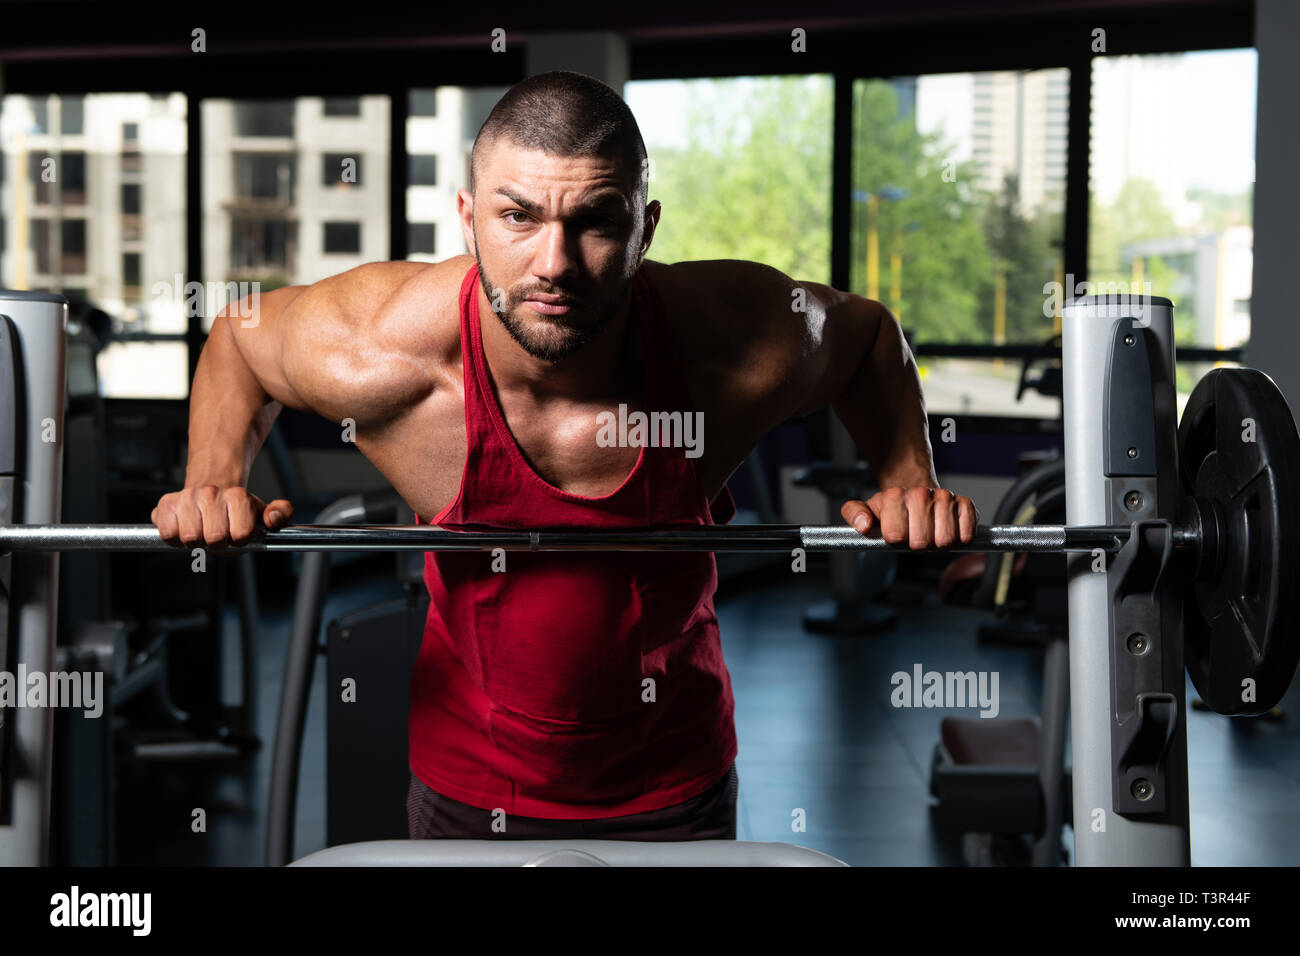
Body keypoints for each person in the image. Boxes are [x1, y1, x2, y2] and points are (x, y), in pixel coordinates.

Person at [151, 70, 979, 842]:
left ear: (643, 228)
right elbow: (241, 335)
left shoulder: (729, 344)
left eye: (595, 221)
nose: (553, 264)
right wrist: (211, 479)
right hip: (466, 789)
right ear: (468, 217)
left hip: (678, 783)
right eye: (519, 217)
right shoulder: (385, 352)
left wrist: (910, 479)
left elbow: (866, 335)